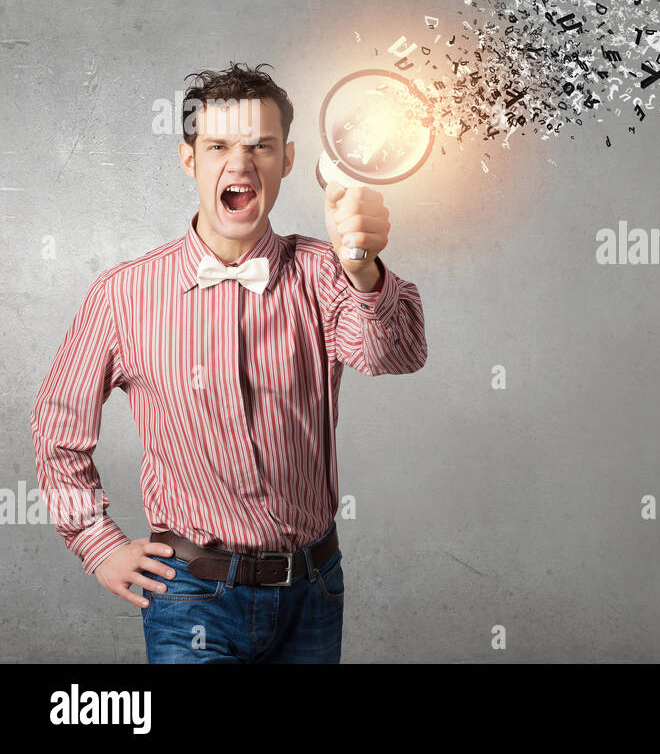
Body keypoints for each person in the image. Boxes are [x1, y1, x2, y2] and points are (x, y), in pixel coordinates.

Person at [30, 62, 427, 662]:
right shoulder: (122, 294)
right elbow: (58, 427)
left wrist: (363, 267)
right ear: (190, 159)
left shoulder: (325, 271)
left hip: (313, 588)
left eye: (260, 147)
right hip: (190, 592)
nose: (239, 165)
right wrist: (96, 541)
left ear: (288, 160)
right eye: (218, 146)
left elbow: (396, 354)